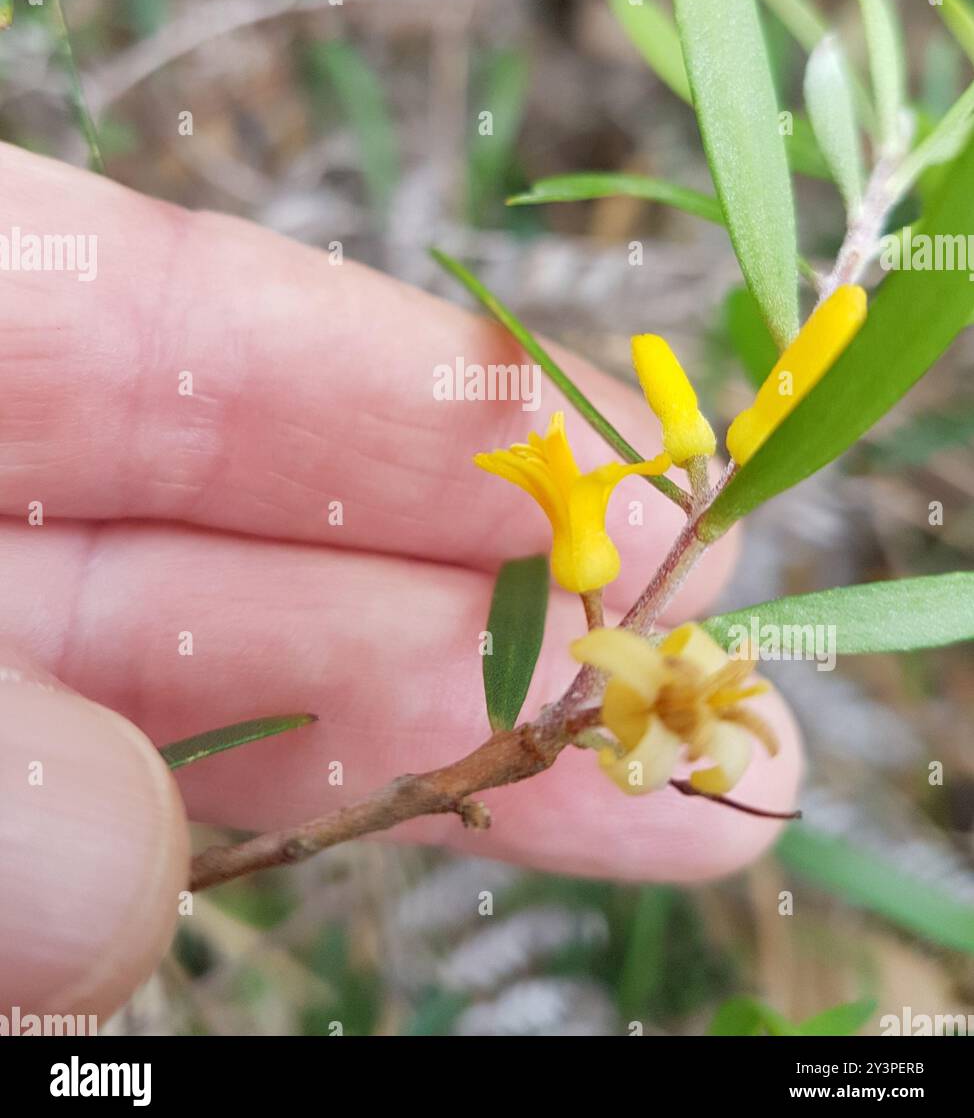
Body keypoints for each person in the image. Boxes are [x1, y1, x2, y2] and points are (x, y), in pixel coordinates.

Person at [0, 141, 800, 1021]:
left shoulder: (647, 692)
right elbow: (619, 680)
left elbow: (636, 733)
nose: (687, 707)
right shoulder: (634, 660)